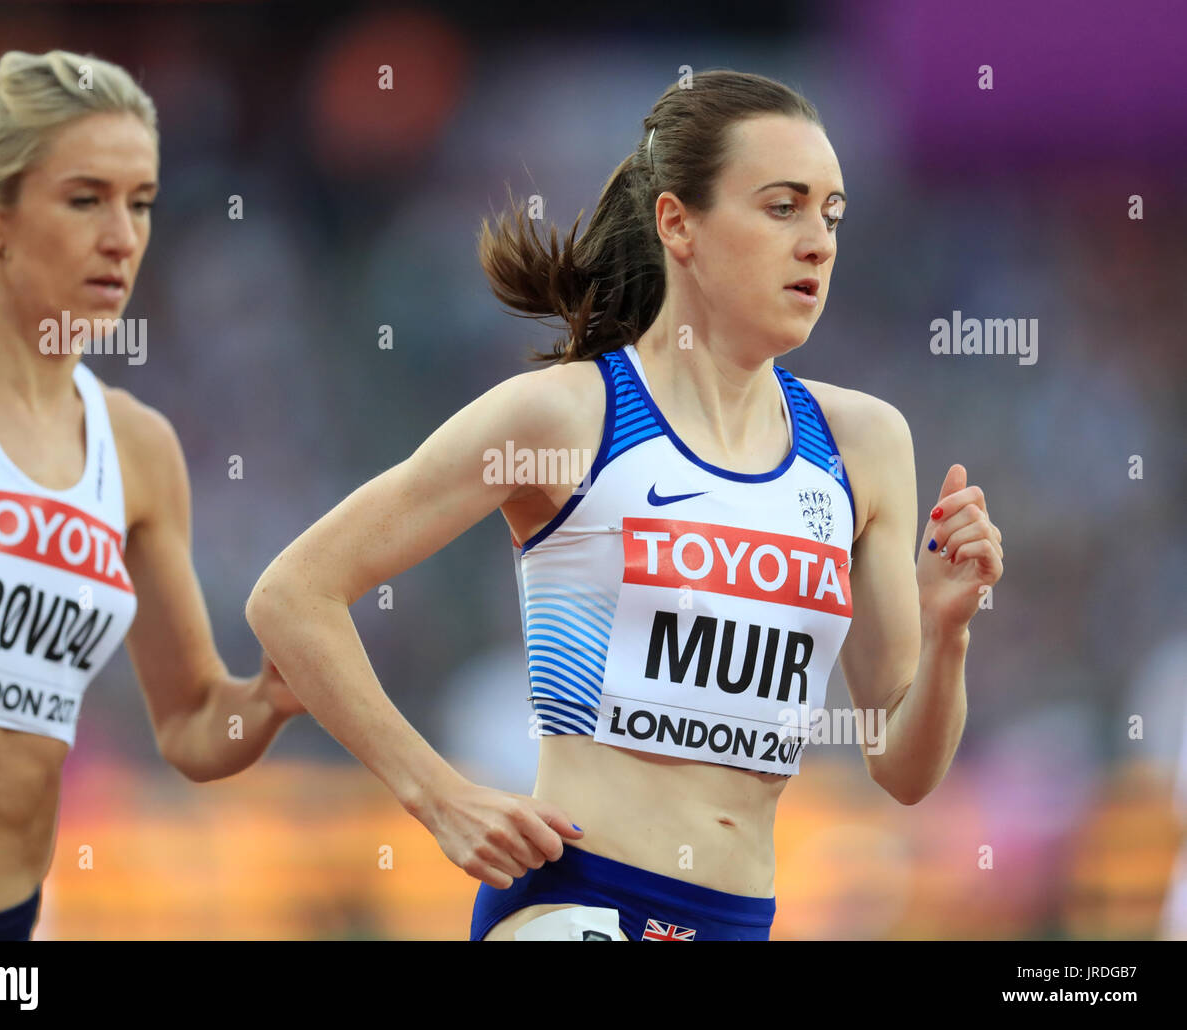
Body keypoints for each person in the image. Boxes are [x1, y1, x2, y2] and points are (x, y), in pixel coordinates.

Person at [246, 69, 1004, 941]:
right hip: (576, 904)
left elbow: (903, 768)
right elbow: (293, 594)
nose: (819, 243)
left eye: (832, 215)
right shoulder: (569, 416)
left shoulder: (865, 443)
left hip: (737, 919)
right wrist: (439, 795)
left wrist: (949, 632)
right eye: (783, 206)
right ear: (678, 222)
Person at [0, 49, 305, 942]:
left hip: (9, 932)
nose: (122, 237)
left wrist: (275, 694)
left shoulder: (140, 450)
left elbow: (193, 722)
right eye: (86, 199)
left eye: (141, 202)